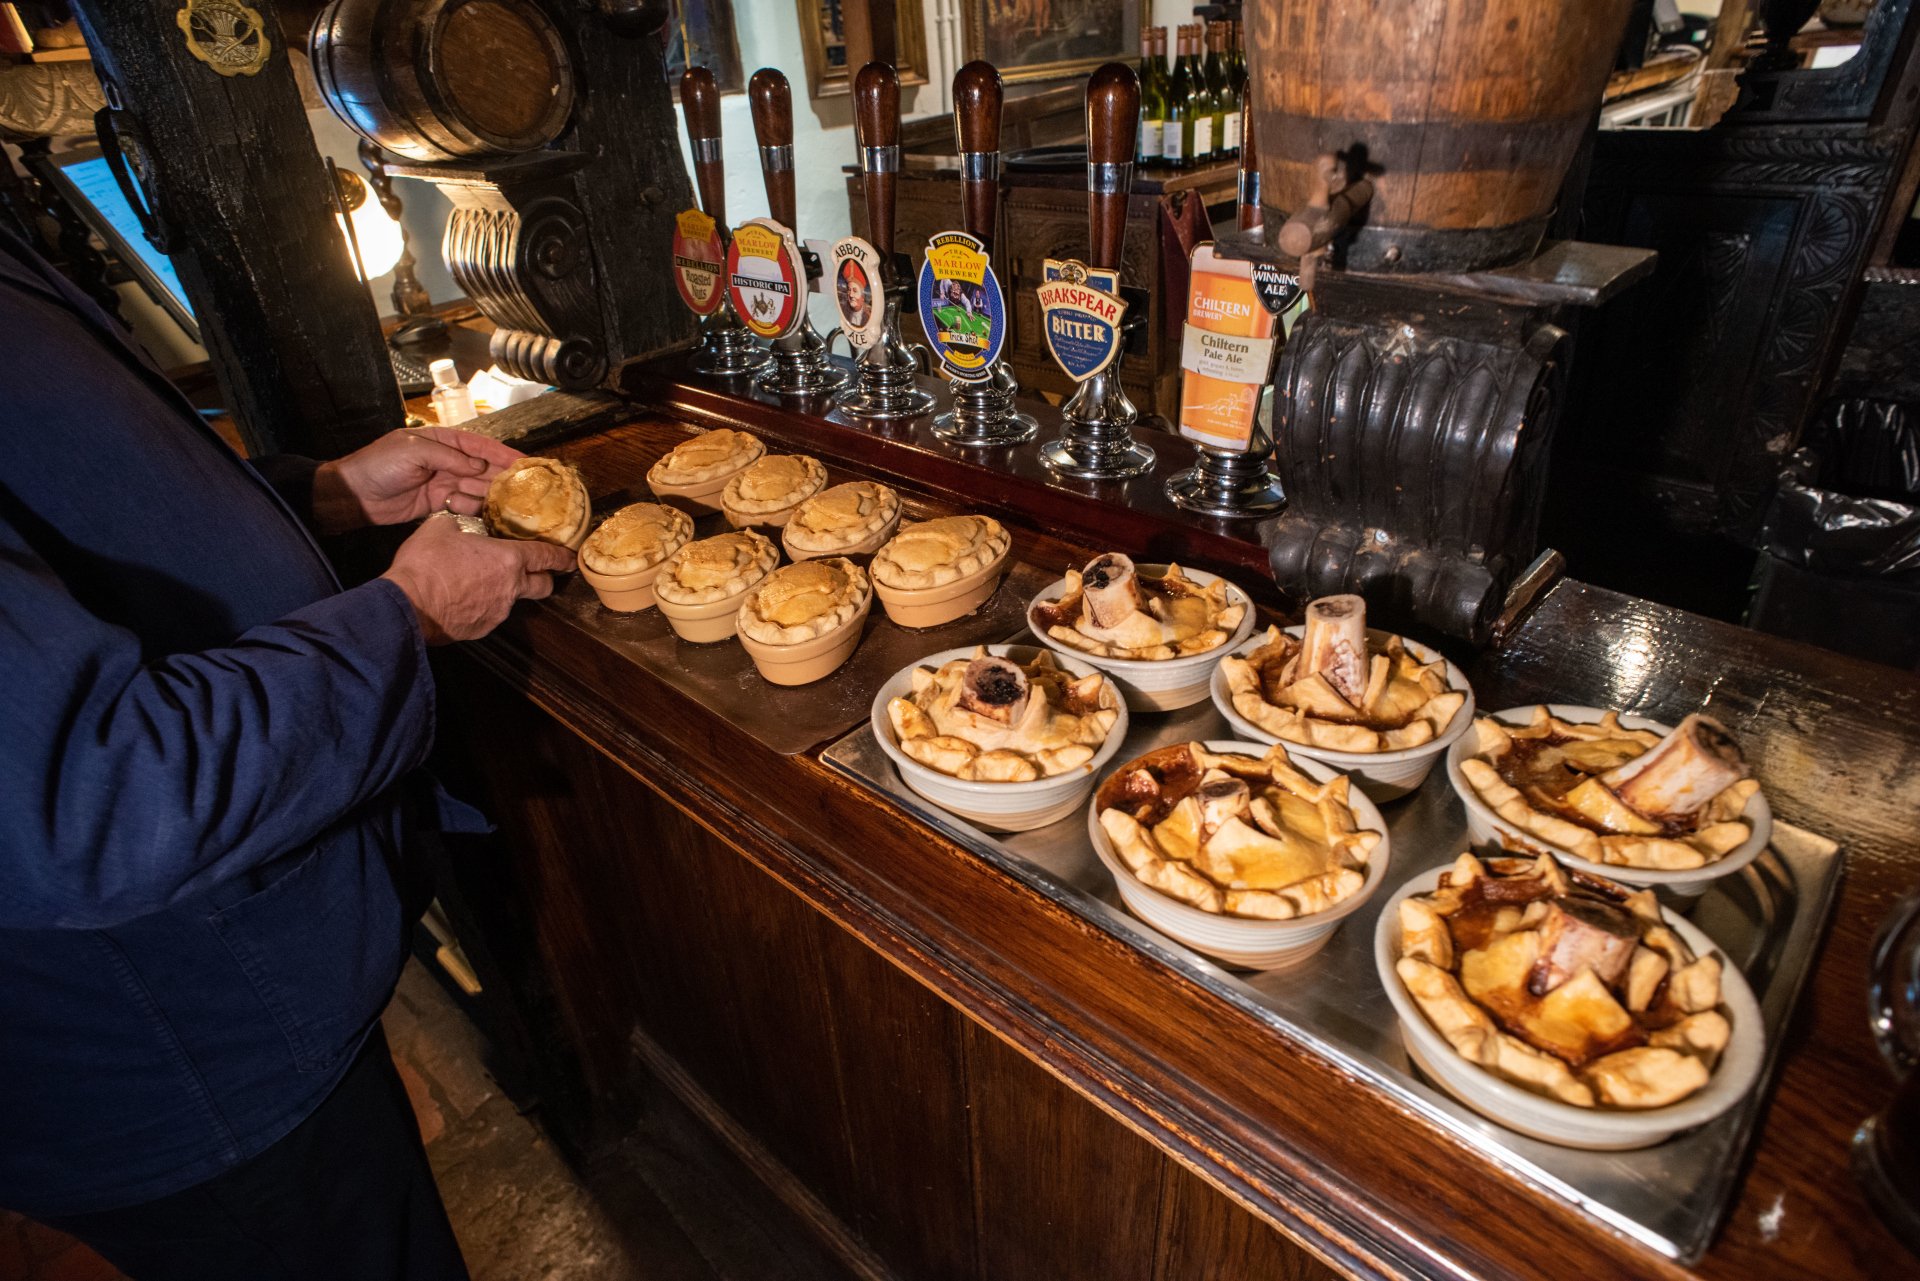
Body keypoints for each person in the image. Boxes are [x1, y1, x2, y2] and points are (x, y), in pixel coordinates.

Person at [0, 226, 573, 1279]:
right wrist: (407, 617)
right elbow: (88, 795)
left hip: (238, 995)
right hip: (183, 1058)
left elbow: (86, 519)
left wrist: (319, 495)